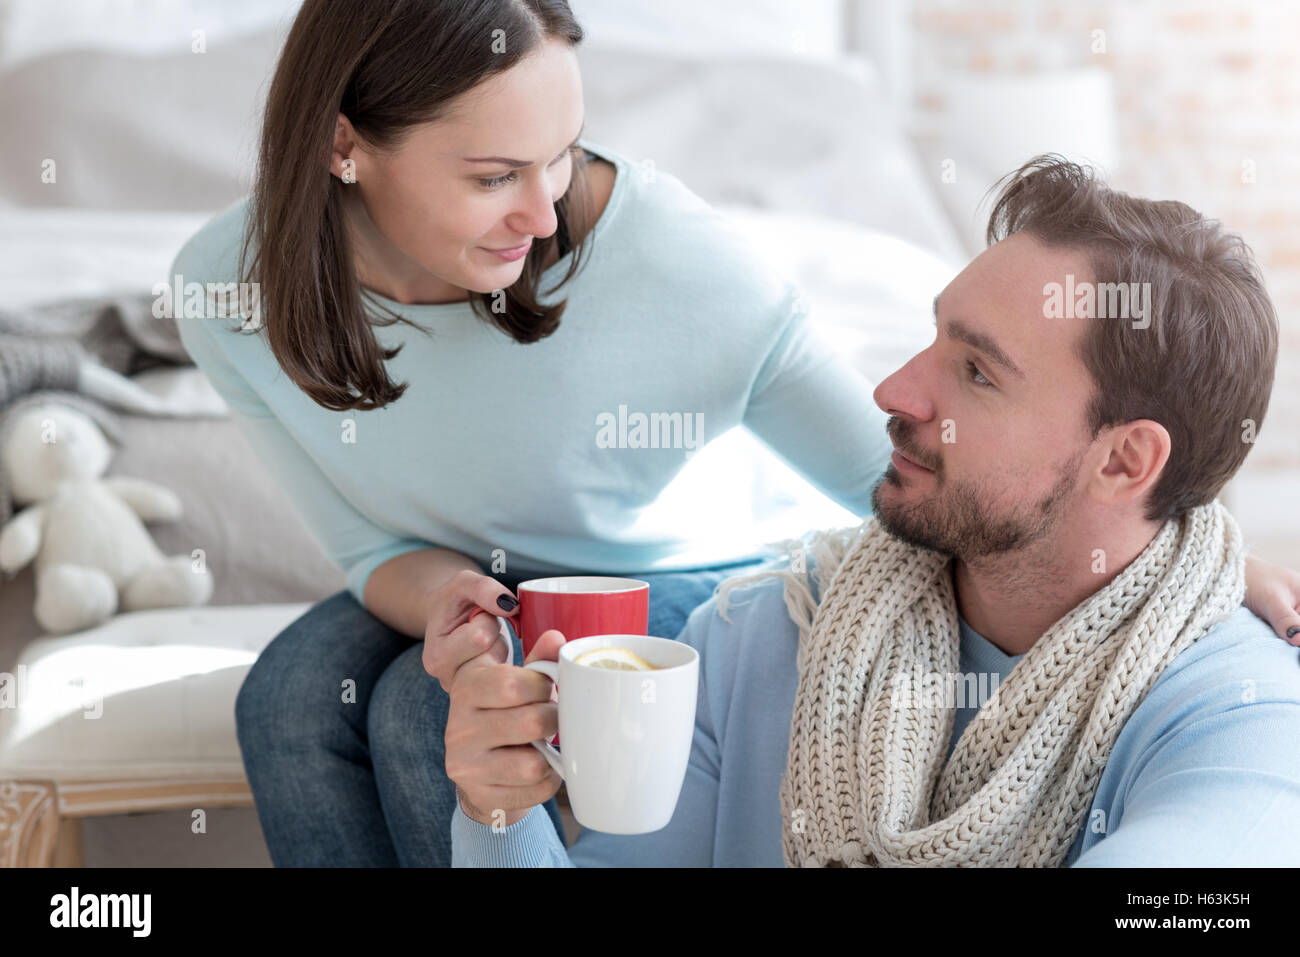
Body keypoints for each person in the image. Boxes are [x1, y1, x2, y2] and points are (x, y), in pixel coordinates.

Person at [170, 0, 897, 867]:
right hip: (482, 575)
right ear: (342, 147)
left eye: (560, 157)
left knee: (426, 709)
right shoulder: (225, 293)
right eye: (492, 177)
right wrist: (451, 602)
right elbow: (372, 549)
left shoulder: (678, 262)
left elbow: (907, 483)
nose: (545, 217)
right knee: (289, 698)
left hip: (697, 568)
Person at [444, 155, 1300, 867]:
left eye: (977, 373)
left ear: (1123, 460)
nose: (893, 391)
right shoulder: (757, 637)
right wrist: (496, 812)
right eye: (934, 338)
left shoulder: (1240, 714)